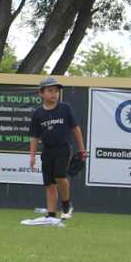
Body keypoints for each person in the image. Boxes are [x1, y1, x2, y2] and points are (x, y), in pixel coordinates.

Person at [22, 76, 85, 226]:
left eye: (56, 91)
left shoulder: (65, 108)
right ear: (41, 93)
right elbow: (34, 136)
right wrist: (32, 155)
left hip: (63, 148)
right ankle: (51, 215)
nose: (54, 94)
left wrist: (82, 149)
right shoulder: (38, 114)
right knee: (49, 184)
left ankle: (66, 203)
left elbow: (75, 129)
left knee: (60, 176)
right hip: (47, 151)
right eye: (50, 91)